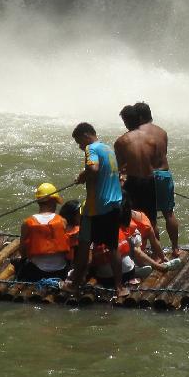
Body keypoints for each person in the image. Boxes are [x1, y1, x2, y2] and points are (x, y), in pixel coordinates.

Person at [63, 122, 129, 297]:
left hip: (96, 208)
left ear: (86, 136)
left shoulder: (91, 149)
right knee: (112, 247)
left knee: (84, 246)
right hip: (115, 204)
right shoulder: (108, 149)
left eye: (79, 142)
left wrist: (82, 176)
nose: (80, 147)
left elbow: (93, 168)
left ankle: (74, 284)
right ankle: (120, 288)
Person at [113, 104, 166, 262]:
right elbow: (155, 161)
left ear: (126, 122)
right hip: (150, 181)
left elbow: (119, 168)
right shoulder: (151, 139)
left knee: (130, 219)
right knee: (152, 220)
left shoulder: (121, 141)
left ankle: (133, 254)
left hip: (133, 182)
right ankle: (157, 255)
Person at [134, 102, 182, 258]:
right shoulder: (162, 132)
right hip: (165, 174)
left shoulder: (138, 133)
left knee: (150, 216)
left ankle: (157, 253)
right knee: (169, 213)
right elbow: (163, 152)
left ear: (140, 117)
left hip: (149, 176)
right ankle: (175, 248)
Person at [15, 183, 71, 282]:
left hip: (37, 271)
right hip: (61, 271)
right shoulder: (63, 221)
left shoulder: (27, 223)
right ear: (54, 201)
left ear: (38, 201)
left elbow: (23, 251)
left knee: (17, 262)